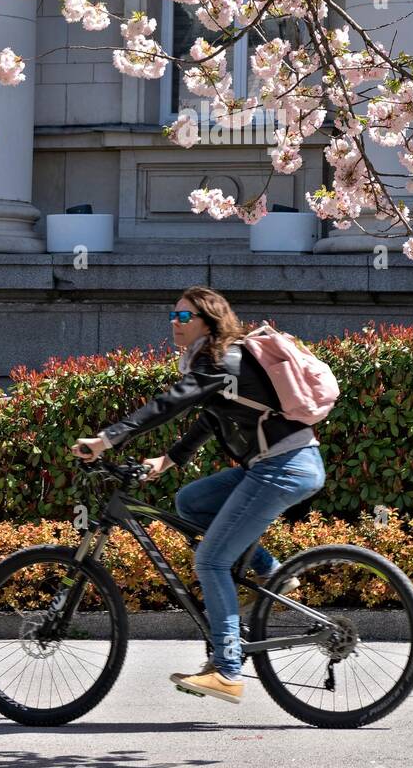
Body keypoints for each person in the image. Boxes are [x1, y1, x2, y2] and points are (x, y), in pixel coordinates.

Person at [71, 285, 326, 704]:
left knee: (210, 559)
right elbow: (209, 417)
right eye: (173, 315)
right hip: (272, 465)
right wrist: (166, 461)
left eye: (185, 316)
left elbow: (171, 403)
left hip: (286, 466)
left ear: (209, 321)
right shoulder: (215, 362)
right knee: (191, 502)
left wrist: (108, 438)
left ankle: (227, 670)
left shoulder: (224, 359)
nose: (175, 322)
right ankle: (272, 572)